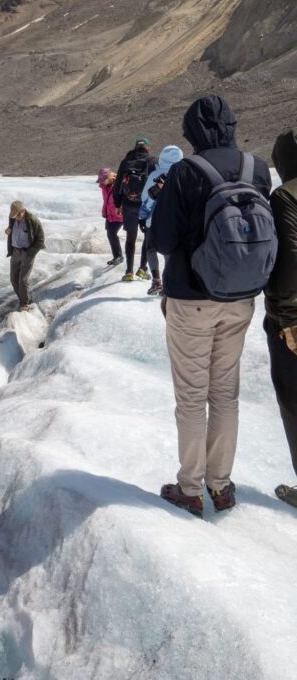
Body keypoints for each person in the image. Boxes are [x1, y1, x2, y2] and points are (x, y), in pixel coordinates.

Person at [152, 96, 271, 516]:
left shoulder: (186, 172)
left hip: (191, 301)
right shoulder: (257, 169)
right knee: (225, 394)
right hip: (241, 300)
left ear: (193, 132)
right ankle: (220, 486)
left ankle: (190, 488)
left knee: (191, 398)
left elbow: (163, 241)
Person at [263, 127, 297, 509]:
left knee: (293, 400)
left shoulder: (285, 196)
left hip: (292, 316)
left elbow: (290, 260)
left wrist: (283, 316)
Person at [139, 145, 184, 296]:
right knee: (169, 252)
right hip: (176, 221)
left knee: (151, 248)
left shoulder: (155, 175)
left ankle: (156, 280)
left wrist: (142, 216)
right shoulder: (183, 174)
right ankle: (169, 283)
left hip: (154, 219)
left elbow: (146, 198)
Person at [113, 138, 157, 282]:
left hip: (128, 204)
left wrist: (117, 204)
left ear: (135, 147)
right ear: (148, 148)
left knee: (130, 238)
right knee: (147, 236)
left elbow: (118, 182)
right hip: (146, 205)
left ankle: (129, 271)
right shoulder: (152, 161)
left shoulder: (126, 161)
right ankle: (142, 268)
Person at [5, 200, 45, 310]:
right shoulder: (13, 218)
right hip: (15, 252)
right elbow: (11, 230)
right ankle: (23, 298)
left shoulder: (32, 220)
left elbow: (41, 239)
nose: (16, 217)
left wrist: (30, 253)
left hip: (28, 252)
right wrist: (7, 231)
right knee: (13, 279)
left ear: (23, 211)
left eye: (18, 215)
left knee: (22, 279)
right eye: (14, 215)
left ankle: (24, 303)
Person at [97, 168, 123, 266]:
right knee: (110, 233)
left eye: (103, 179)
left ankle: (119, 256)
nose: (102, 182)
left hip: (119, 214)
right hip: (109, 215)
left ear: (109, 177)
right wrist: (104, 212)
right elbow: (106, 201)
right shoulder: (104, 187)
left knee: (112, 233)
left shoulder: (119, 185)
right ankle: (116, 256)